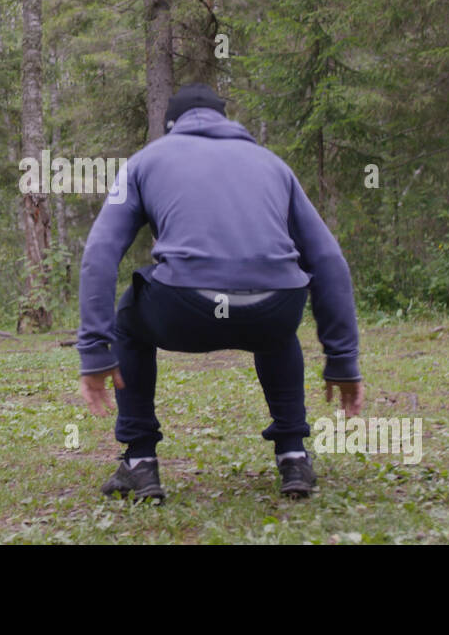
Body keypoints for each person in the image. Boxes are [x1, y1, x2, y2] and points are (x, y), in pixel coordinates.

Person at [75, 82, 363, 502]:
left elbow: (100, 254)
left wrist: (94, 351)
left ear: (170, 126)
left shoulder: (144, 162)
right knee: (277, 326)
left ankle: (140, 462)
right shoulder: (273, 165)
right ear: (227, 121)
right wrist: (342, 359)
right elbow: (328, 259)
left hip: (183, 309)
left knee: (129, 316)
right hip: (273, 309)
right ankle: (293, 454)